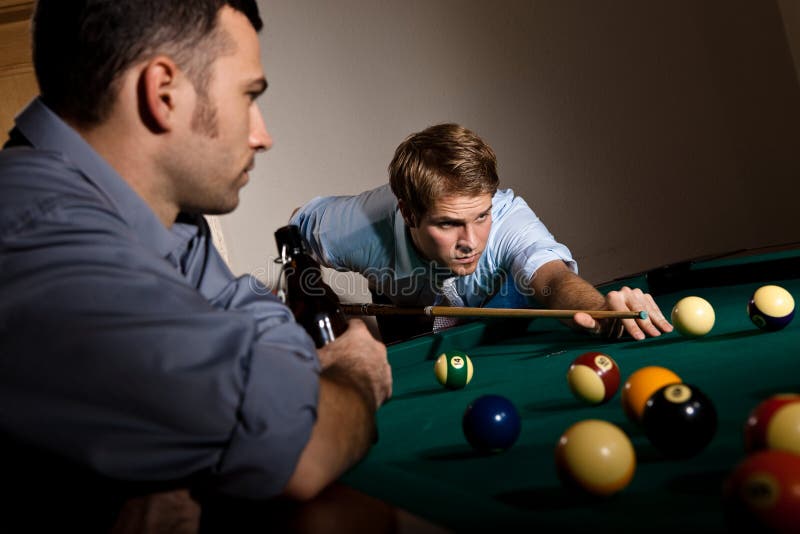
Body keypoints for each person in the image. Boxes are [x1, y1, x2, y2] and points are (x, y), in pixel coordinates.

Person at [0, 0, 391, 529]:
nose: (262, 134)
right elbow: (303, 445)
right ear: (163, 92)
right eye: (248, 96)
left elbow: (264, 327)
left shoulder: (167, 218)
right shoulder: (38, 231)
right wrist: (355, 373)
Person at [290, 123, 673, 343]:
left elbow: (554, 278)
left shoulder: (509, 221)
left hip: (510, 332)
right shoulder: (358, 228)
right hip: (411, 327)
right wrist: (324, 311)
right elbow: (296, 231)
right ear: (408, 212)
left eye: (480, 216)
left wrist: (599, 309)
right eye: (448, 223)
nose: (471, 242)